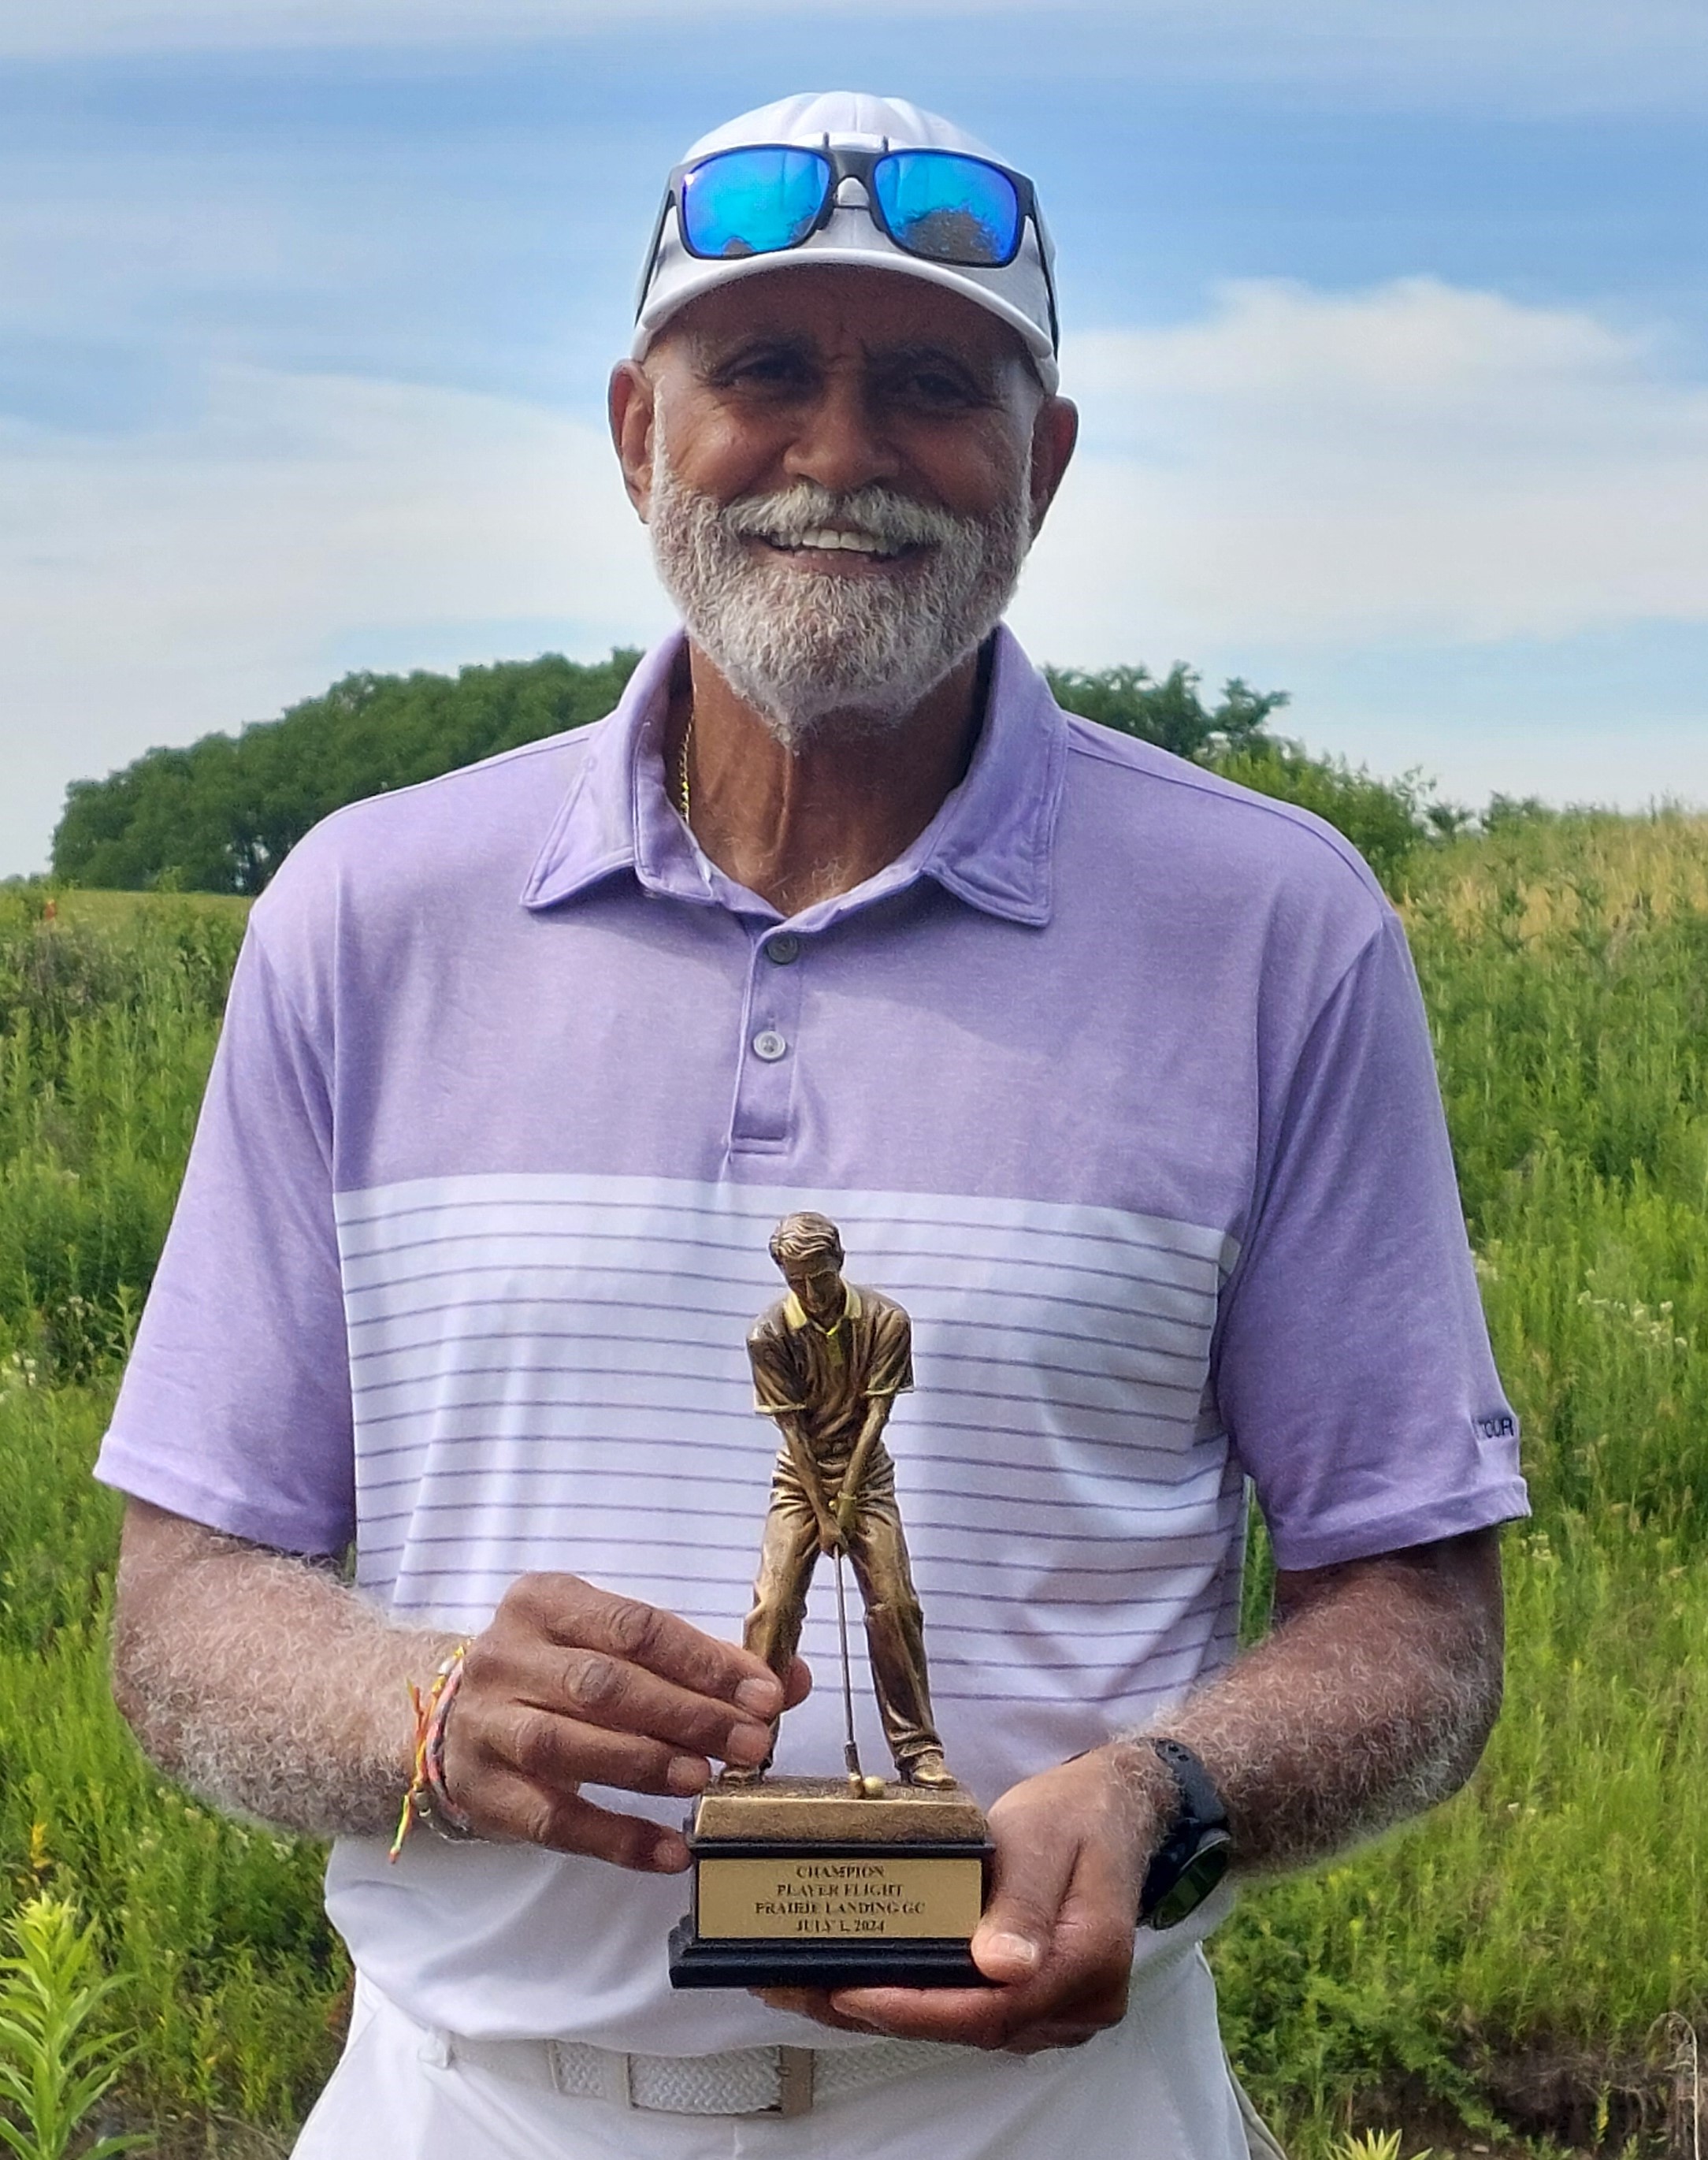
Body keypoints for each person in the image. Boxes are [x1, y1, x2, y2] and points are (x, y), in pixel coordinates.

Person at [98, 89, 1528, 2160]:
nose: (842, 457)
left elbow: (1420, 1618)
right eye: (762, 369)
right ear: (633, 429)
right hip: (475, 2106)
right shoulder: (366, 910)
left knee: (888, 1648)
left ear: (1041, 460)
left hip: (1065, 2117)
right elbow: (184, 1604)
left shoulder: (1276, 928)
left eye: (933, 387)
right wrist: (430, 1715)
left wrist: (1166, 1796)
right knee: (805, 1631)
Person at [735, 1210, 953, 1788]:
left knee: (895, 1605)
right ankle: (747, 1746)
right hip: (799, 1478)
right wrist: (822, 1511)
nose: (809, 1293)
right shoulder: (770, 1334)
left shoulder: (887, 1320)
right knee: (774, 1606)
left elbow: (876, 1416)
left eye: (819, 1278)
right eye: (795, 1281)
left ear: (840, 1262)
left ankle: (917, 1749)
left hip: (867, 1473)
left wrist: (848, 1501)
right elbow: (793, 1432)